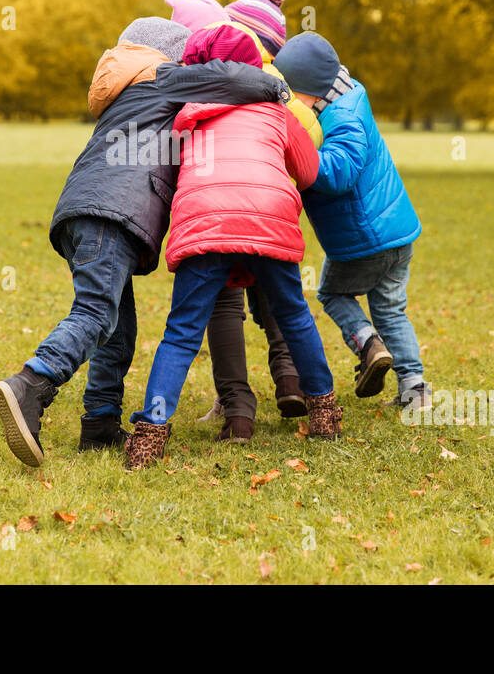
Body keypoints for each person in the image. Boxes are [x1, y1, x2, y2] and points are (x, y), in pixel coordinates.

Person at [0, 17, 291, 467]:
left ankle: (100, 423)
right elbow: (227, 76)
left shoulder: (124, 90)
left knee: (118, 328)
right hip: (113, 213)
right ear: (165, 52)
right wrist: (273, 87)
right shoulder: (161, 76)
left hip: (82, 213)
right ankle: (32, 383)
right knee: (95, 313)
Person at [124, 24, 340, 471]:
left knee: (181, 331)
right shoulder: (276, 112)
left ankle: (149, 437)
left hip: (206, 221)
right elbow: (309, 169)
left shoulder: (186, 115)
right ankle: (323, 413)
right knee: (294, 315)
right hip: (267, 216)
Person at [271, 32, 429, 408]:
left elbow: (340, 172)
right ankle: (415, 389)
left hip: (364, 237)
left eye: (295, 97)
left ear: (313, 90)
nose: (293, 106)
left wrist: (298, 160)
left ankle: (367, 343)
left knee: (332, 293)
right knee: (390, 308)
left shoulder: (341, 117)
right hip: (395, 232)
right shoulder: (348, 96)